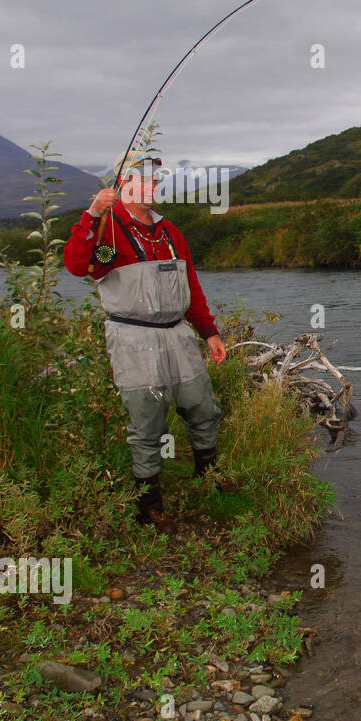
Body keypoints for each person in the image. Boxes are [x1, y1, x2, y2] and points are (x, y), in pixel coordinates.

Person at [62, 150, 234, 533]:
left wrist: (209, 332)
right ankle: (149, 503)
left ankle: (207, 474)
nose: (154, 186)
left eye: (157, 180)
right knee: (147, 420)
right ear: (123, 184)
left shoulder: (170, 233)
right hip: (132, 338)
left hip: (178, 334)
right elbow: (76, 265)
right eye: (145, 180)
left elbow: (191, 285)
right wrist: (92, 214)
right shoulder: (107, 228)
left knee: (202, 406)